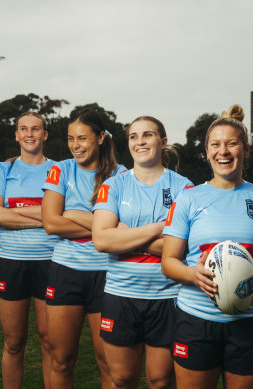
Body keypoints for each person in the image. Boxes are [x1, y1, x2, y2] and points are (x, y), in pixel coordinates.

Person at [161, 104, 253, 389]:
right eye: (215, 145)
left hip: (250, 321)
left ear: (245, 150)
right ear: (207, 152)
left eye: (232, 144)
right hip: (196, 320)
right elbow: (168, 262)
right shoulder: (188, 198)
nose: (224, 151)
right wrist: (193, 275)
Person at [92, 116, 193, 389]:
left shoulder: (184, 188)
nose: (140, 142)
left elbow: (182, 248)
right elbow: (101, 239)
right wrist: (161, 228)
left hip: (167, 296)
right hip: (121, 295)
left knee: (160, 381)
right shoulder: (113, 185)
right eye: (134, 136)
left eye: (147, 135)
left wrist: (125, 235)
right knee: (122, 379)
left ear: (163, 142)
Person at [41, 110, 126, 389]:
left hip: (108, 275)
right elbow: (51, 223)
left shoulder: (121, 175)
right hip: (66, 272)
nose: (75, 145)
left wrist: (73, 213)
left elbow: (122, 230)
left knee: (109, 364)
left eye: (82, 138)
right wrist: (102, 227)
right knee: (61, 360)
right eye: (70, 139)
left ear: (101, 138)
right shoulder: (61, 170)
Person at [0, 112, 57, 389]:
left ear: (44, 134)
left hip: (51, 262)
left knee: (49, 341)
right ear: (16, 135)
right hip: (11, 263)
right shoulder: (2, 169)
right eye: (23, 129)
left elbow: (63, 214)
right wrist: (46, 216)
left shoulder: (59, 170)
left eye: (35, 129)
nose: (29, 134)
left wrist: (13, 212)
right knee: (14, 343)